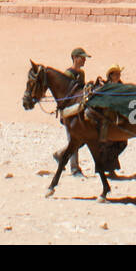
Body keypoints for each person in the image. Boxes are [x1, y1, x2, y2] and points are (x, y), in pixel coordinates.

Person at [54, 47, 90, 178]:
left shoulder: (82, 73)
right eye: (82, 57)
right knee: (73, 139)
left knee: (80, 139)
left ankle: (60, 154)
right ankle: (74, 169)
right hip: (69, 111)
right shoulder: (68, 74)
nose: (84, 60)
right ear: (75, 58)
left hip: (79, 109)